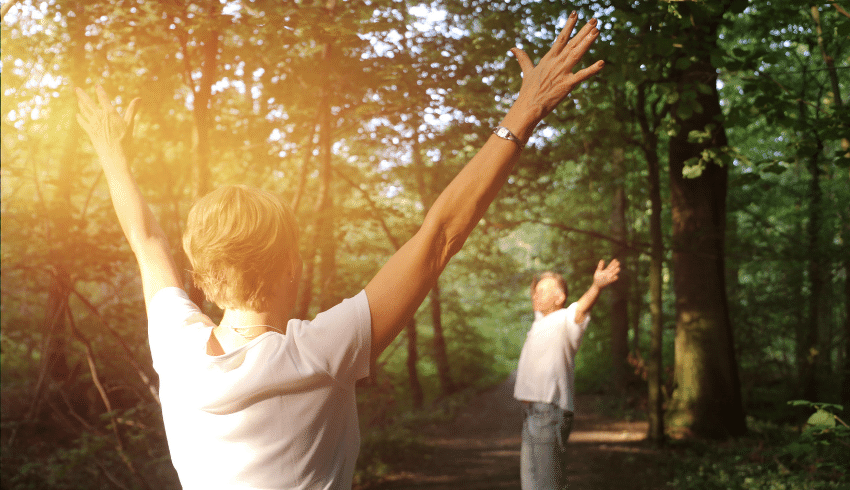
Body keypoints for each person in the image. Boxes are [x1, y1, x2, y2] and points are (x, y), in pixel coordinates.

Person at [75, 12, 604, 490]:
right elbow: (439, 236)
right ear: (291, 266)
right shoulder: (321, 353)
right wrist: (524, 111)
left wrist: (108, 150)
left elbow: (145, 240)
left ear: (204, 276)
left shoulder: (176, 348)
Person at [514, 260, 620, 490]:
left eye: (543, 292)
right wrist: (540, 279)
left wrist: (596, 286)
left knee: (547, 485)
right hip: (532, 414)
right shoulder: (540, 321)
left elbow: (581, 307)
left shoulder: (566, 320)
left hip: (549, 412)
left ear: (560, 298)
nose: (535, 296)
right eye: (536, 291)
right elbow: (535, 293)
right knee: (531, 485)